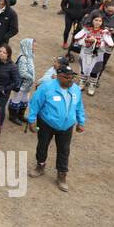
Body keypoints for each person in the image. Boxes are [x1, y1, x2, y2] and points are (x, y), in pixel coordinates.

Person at [25, 65, 86, 193]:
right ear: (58, 76)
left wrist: (81, 122)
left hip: (67, 126)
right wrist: (31, 120)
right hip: (47, 123)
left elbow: (79, 106)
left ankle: (62, 176)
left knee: (64, 150)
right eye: (67, 77)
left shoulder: (75, 90)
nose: (70, 80)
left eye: (72, 77)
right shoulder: (46, 87)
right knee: (42, 145)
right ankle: (40, 166)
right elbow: (35, 103)